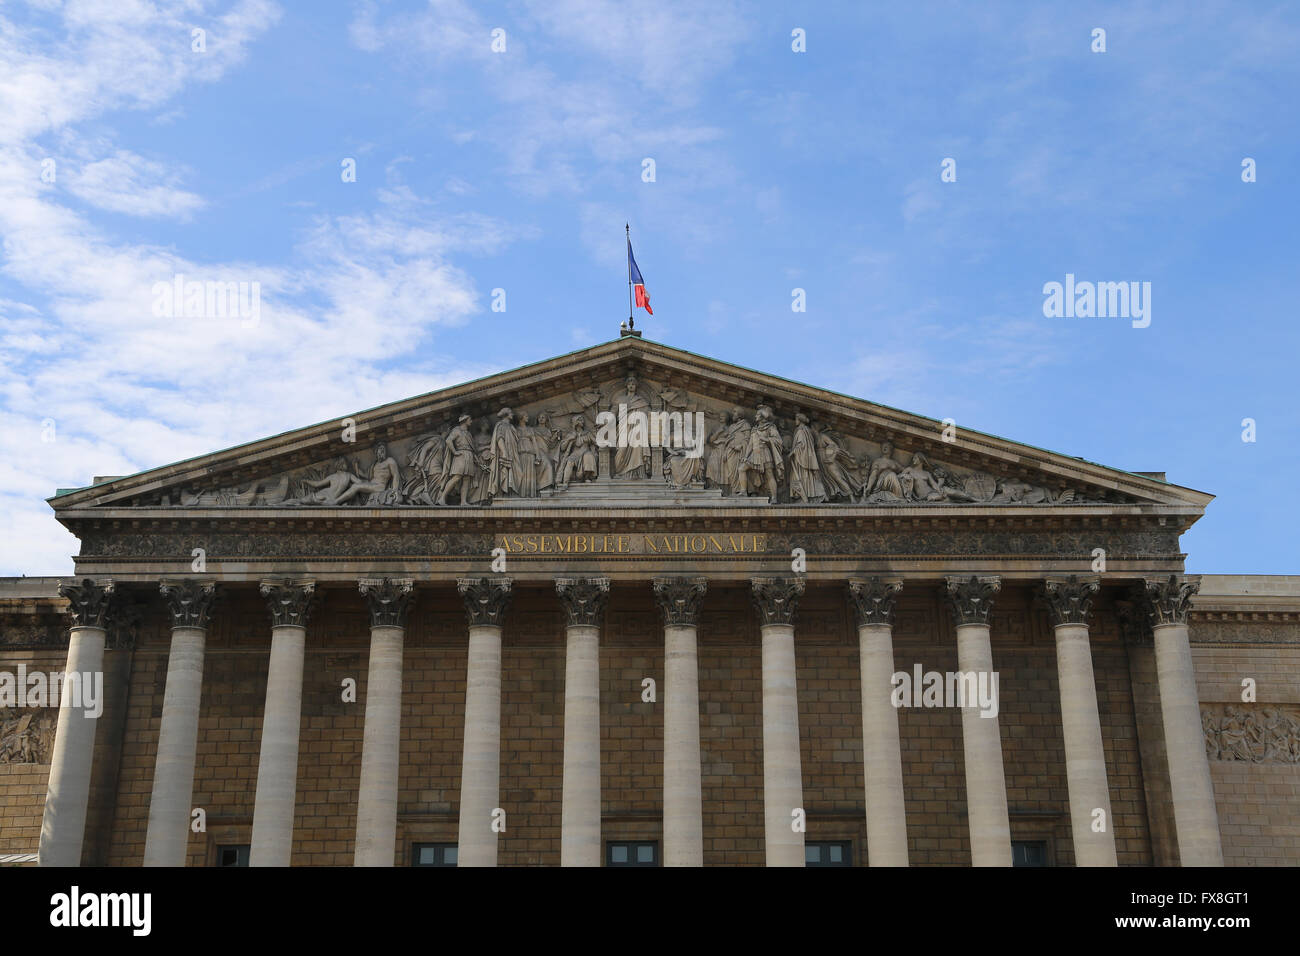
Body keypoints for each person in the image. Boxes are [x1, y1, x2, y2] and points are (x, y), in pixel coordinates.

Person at [439, 414, 480, 505]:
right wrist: (454, 452)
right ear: (465, 420)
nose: (471, 421)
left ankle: (463, 501)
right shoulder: (457, 430)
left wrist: (475, 458)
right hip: (460, 455)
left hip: (469, 455)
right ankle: (442, 498)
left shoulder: (468, 433)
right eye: (470, 419)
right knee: (456, 477)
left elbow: (471, 448)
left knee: (466, 479)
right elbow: (448, 440)